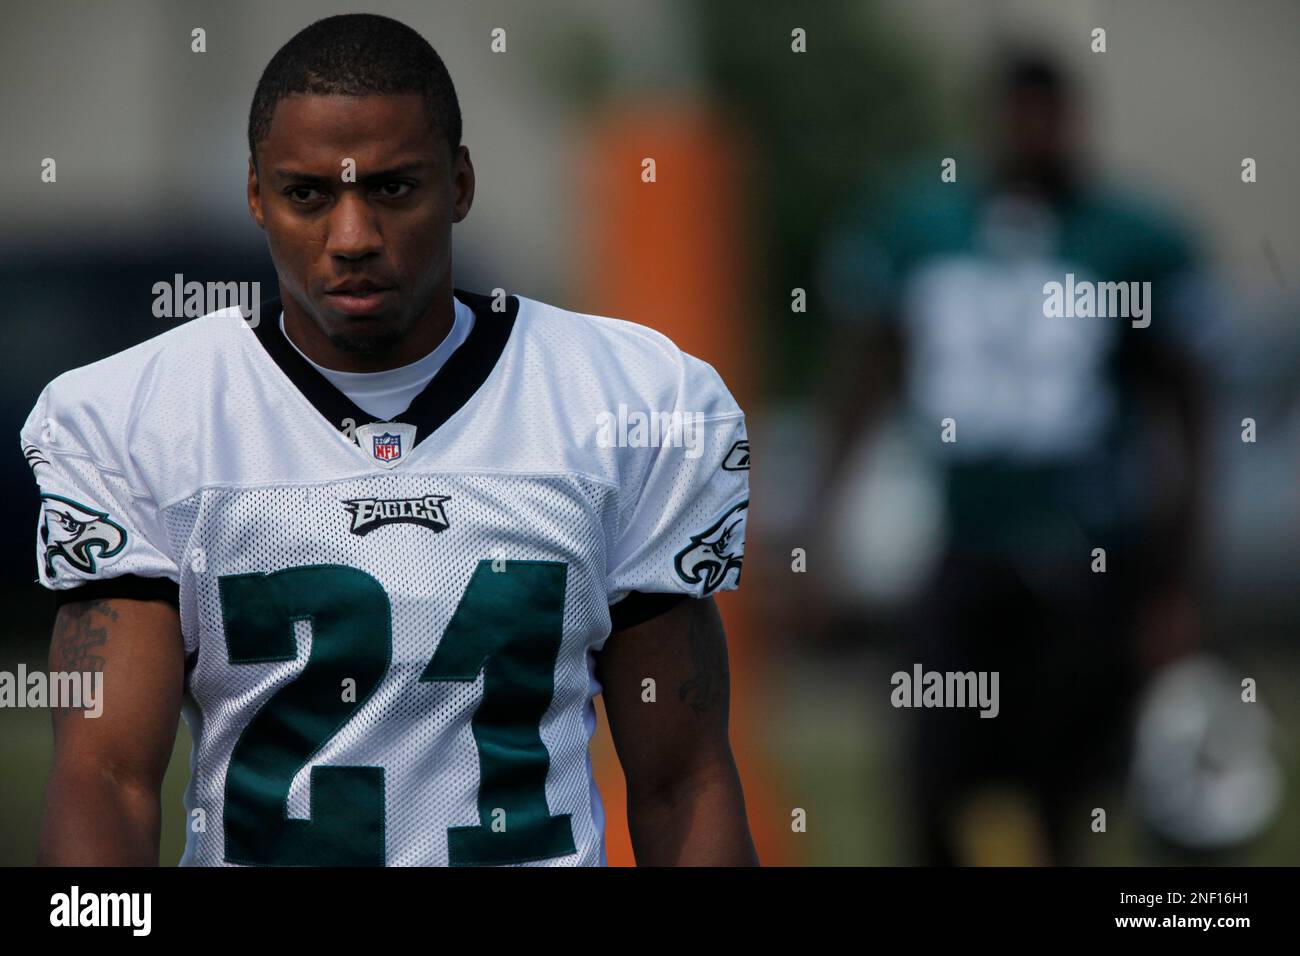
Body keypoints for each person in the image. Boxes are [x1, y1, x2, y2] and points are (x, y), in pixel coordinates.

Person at [24, 13, 756, 867]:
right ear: (256, 194)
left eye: (393, 189)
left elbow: (683, 781)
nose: (353, 238)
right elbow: (105, 778)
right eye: (309, 195)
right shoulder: (144, 416)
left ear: (460, 184)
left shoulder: (624, 403)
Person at [816, 53, 1210, 864]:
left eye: (1048, 113)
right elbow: (865, 374)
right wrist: (819, 523)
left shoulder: (1131, 236)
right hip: (955, 547)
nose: (1032, 133)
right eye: (1017, 112)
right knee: (931, 780)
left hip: (1087, 555)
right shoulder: (918, 223)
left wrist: (1178, 578)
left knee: (1067, 791)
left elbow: (1188, 409)